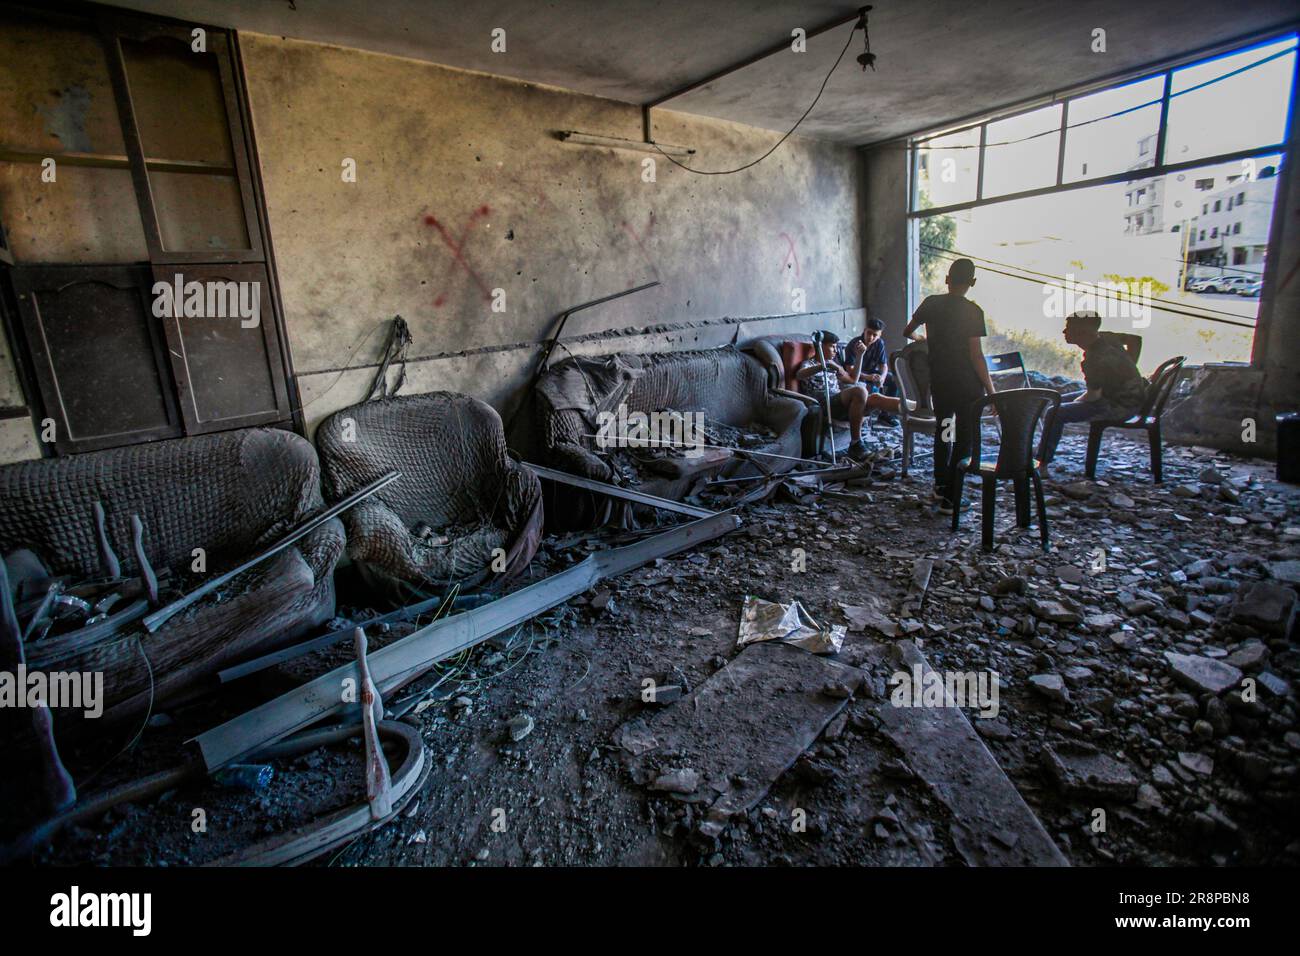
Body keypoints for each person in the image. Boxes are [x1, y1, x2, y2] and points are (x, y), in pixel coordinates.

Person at [902, 258, 996, 514]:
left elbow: (908, 331)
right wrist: (991, 390)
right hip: (967, 386)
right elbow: (976, 355)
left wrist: (925, 339)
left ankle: (940, 487)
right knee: (964, 438)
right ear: (972, 282)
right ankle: (953, 497)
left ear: (947, 279)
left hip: (941, 382)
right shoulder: (973, 311)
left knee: (944, 431)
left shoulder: (931, 303)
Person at [1037, 311, 1148, 479]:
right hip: (1128, 395)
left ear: (1082, 333)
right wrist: (1129, 367)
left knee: (1056, 412)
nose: (1064, 332)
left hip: (1119, 405)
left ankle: (1042, 463)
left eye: (1069, 329)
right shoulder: (1106, 338)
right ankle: (1042, 446)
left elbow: (1093, 397)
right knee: (1053, 400)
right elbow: (1135, 340)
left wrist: (1075, 402)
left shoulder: (1095, 360)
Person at [795, 331, 873, 461]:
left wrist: (860, 356)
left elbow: (853, 379)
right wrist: (824, 366)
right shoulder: (809, 364)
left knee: (876, 398)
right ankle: (856, 444)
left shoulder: (834, 365)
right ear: (820, 346)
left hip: (839, 400)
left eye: (836, 347)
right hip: (824, 403)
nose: (835, 350)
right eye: (832, 346)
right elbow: (800, 374)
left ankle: (909, 416)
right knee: (860, 391)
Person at [840, 317, 899, 426]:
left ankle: (885, 415)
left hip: (872, 373)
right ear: (864, 330)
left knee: (894, 380)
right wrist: (868, 377)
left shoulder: (879, 343)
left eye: (875, 335)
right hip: (856, 376)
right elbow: (850, 370)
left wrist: (882, 377)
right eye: (869, 333)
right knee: (869, 388)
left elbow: (883, 365)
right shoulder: (854, 344)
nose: (871, 337)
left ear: (880, 335)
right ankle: (863, 416)